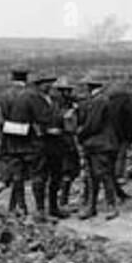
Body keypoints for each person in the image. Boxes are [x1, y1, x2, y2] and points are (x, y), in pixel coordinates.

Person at [0, 71, 48, 217]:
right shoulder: (31, 95)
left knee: (17, 176)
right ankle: (40, 210)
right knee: (37, 175)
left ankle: (21, 207)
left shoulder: (4, 95)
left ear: (12, 78)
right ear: (26, 78)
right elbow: (43, 117)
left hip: (12, 142)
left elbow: (2, 119)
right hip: (31, 142)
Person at [77, 77, 121, 220]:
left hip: (101, 144)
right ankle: (92, 207)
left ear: (89, 86)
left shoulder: (99, 101)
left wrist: (80, 134)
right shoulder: (98, 100)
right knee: (93, 176)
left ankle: (111, 206)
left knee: (103, 175)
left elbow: (93, 124)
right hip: (96, 144)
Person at [33, 73, 68, 220]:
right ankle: (40, 210)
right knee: (40, 176)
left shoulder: (55, 100)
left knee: (56, 176)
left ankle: (54, 208)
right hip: (41, 144)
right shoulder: (33, 100)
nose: (49, 85)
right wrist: (46, 131)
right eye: (46, 82)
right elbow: (32, 122)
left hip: (56, 144)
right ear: (38, 85)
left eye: (51, 82)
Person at [53, 78, 83, 209]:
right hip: (63, 141)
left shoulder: (69, 103)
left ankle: (62, 199)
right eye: (67, 90)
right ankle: (62, 200)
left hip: (66, 141)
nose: (69, 93)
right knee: (66, 170)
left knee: (69, 171)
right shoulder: (57, 105)